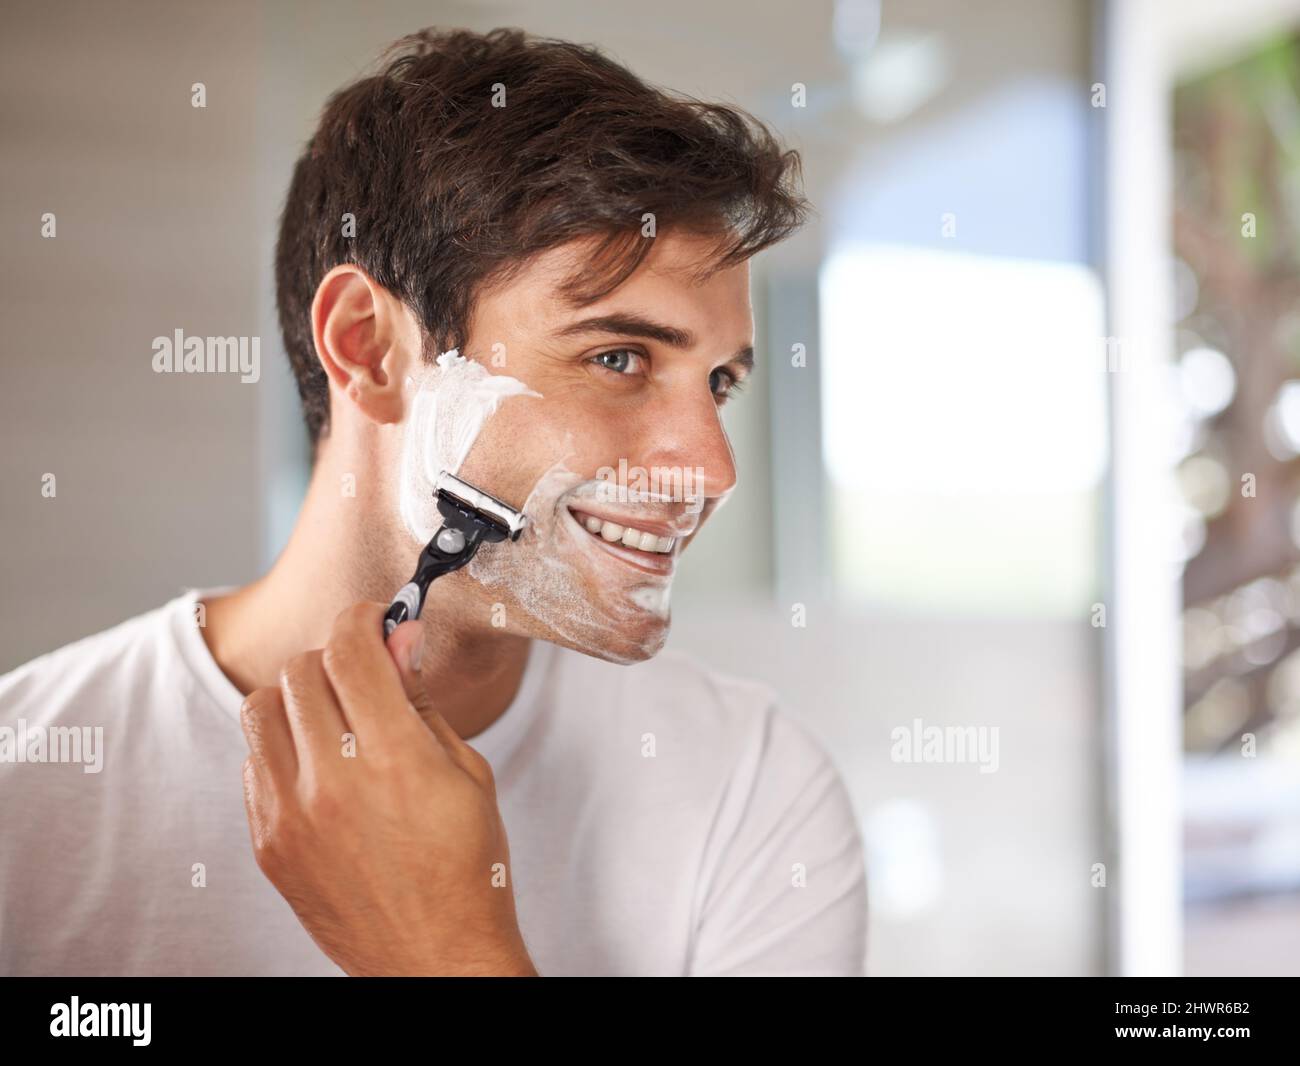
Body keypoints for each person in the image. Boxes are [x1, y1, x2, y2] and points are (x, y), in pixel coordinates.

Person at [0, 26, 867, 976]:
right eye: (617, 358)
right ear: (368, 349)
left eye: (720, 383)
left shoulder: (752, 791)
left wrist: (443, 948)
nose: (711, 469)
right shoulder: (28, 779)